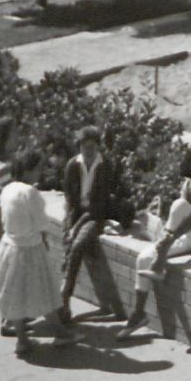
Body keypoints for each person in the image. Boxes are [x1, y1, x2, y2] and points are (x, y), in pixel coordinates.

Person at [116, 142, 191, 351]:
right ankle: (138, 314)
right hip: (190, 237)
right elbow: (181, 220)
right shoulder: (188, 183)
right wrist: (168, 239)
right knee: (144, 258)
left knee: (178, 205)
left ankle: (160, 262)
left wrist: (167, 239)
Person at [0, 148, 69, 351]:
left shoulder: (7, 188)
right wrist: (44, 238)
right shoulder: (30, 192)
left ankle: (22, 340)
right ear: (29, 170)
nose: (39, 174)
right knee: (44, 290)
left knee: (15, 293)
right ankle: (60, 333)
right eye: (38, 169)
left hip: (9, 248)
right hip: (30, 249)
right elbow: (41, 222)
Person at [59, 123, 129, 321]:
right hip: (77, 214)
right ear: (79, 146)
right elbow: (69, 200)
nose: (88, 151)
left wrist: (77, 227)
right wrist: (68, 226)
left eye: (92, 147)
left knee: (79, 243)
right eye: (84, 146)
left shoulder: (105, 165)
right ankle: (63, 299)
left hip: (95, 216)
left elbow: (99, 206)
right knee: (69, 243)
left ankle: (65, 295)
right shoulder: (73, 165)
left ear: (98, 147)